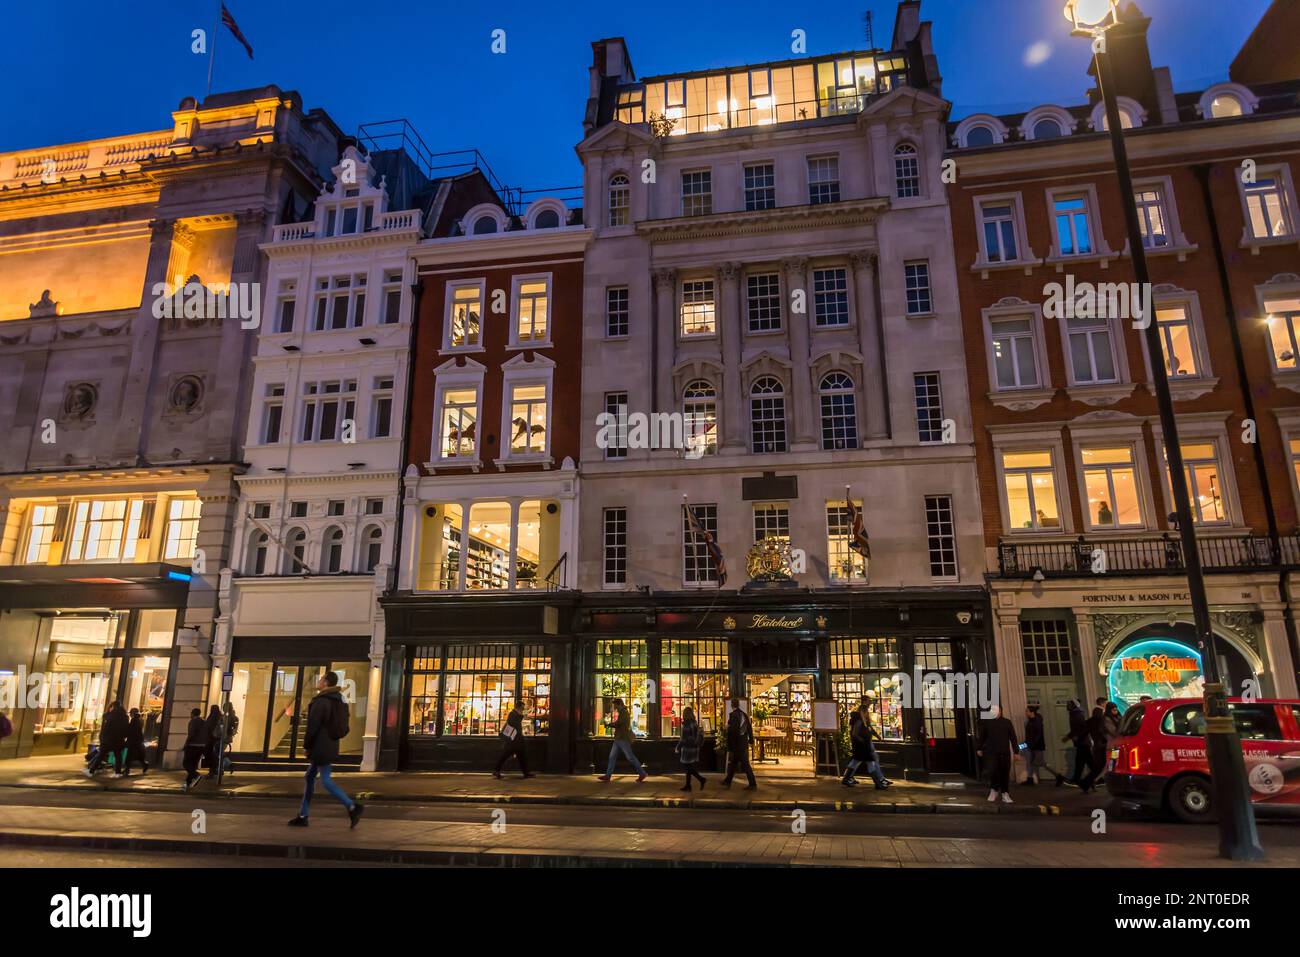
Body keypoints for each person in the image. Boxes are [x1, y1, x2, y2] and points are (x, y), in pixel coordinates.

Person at [289, 671, 363, 828]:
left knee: (326, 780)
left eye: (321, 679)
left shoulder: (322, 701)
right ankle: (303, 815)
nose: (319, 680)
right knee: (310, 777)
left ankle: (352, 806)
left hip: (320, 746)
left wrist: (307, 746)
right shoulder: (339, 700)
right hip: (329, 744)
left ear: (326, 682)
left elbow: (312, 726)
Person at [842, 701, 891, 789]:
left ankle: (846, 779)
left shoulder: (864, 721)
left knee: (856, 762)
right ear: (863, 712)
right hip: (863, 747)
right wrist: (863, 741)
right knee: (870, 764)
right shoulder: (859, 721)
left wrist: (877, 736)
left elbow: (870, 730)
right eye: (866, 711)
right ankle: (878, 784)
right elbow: (854, 734)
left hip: (863, 747)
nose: (868, 713)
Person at [598, 697, 647, 782]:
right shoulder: (623, 712)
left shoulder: (624, 712)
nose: (615, 707)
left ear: (619, 704)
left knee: (630, 757)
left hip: (622, 738)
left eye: (615, 705)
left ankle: (642, 773)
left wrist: (610, 724)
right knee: (612, 757)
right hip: (619, 738)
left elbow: (619, 723)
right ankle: (608, 775)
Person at [977, 704, 1018, 803]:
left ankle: (1005, 793)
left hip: (1004, 753)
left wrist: (1016, 751)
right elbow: (982, 736)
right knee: (993, 772)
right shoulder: (987, 722)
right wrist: (979, 748)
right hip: (991, 753)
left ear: (1001, 711)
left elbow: (1013, 737)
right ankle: (994, 790)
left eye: (997, 710)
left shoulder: (1007, 722)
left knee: (1004, 773)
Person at [1062, 699, 1099, 793]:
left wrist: (1073, 737)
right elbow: (1077, 729)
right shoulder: (1075, 714)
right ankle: (1088, 781)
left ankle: (1080, 780)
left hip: (1083, 743)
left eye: (1069, 704)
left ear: (1073, 706)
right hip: (1082, 743)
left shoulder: (1077, 715)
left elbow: (1082, 728)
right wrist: (1070, 736)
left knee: (1083, 763)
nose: (1067, 706)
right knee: (1083, 763)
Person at [85, 702, 129, 776]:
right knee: (118, 756)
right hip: (118, 740)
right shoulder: (124, 717)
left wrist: (102, 738)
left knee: (100, 755)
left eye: (110, 707)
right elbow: (125, 729)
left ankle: (91, 771)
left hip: (108, 740)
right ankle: (117, 772)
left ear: (112, 707)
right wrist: (123, 737)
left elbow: (105, 729)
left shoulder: (109, 716)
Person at [721, 700, 757, 790]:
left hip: (736, 744)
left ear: (732, 705)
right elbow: (749, 728)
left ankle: (752, 784)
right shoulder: (744, 715)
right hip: (743, 743)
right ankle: (727, 781)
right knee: (734, 764)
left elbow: (733, 731)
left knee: (744, 764)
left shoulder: (733, 715)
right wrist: (751, 741)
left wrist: (727, 728)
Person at [492, 700, 533, 779]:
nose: (523, 710)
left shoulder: (515, 714)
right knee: (505, 756)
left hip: (516, 740)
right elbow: (514, 725)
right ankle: (496, 770)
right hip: (513, 740)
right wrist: (520, 715)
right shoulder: (513, 714)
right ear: (519, 707)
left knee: (522, 757)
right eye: (522, 708)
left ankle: (526, 773)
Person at [676, 706, 706, 792]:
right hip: (694, 747)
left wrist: (678, 747)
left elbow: (683, 739)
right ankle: (688, 785)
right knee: (689, 766)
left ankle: (701, 779)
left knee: (687, 766)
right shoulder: (694, 722)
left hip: (687, 748)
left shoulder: (686, 724)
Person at [181, 707, 208, 792]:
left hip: (193, 745)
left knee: (186, 763)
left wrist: (186, 744)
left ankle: (196, 775)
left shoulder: (193, 721)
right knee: (193, 765)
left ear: (192, 714)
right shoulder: (204, 722)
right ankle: (188, 784)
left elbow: (191, 734)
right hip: (201, 746)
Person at [119, 708, 148, 777]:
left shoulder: (134, 720)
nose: (130, 714)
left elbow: (132, 730)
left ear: (133, 713)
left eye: (130, 713)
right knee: (137, 756)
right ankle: (144, 764)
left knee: (129, 756)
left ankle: (127, 770)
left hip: (133, 740)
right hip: (138, 740)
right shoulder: (140, 719)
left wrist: (126, 731)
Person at [1022, 705, 1046, 786]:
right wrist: (1021, 747)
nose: (1025, 713)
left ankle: (1057, 776)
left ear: (1032, 712)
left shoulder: (1037, 721)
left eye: (1027, 711)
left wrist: (1031, 745)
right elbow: (1028, 736)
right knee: (1030, 762)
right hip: (1030, 745)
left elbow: (1038, 735)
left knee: (1041, 763)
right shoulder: (1028, 721)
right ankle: (1029, 779)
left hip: (1037, 746)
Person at [203, 705, 224, 778]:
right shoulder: (220, 717)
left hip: (211, 739)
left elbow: (207, 728)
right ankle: (216, 770)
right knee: (215, 755)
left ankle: (212, 771)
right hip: (216, 739)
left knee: (211, 755)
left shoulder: (212, 718)